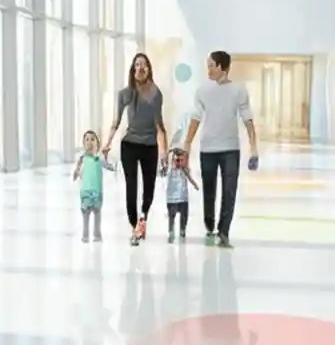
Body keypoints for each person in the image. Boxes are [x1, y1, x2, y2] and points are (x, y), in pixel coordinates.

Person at [183, 51, 259, 248]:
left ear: (221, 67)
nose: (208, 69)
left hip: (230, 149)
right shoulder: (202, 90)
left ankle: (224, 230)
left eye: (211, 66)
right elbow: (195, 118)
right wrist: (187, 144)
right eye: (207, 65)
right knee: (209, 191)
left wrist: (254, 148)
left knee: (230, 190)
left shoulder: (239, 90)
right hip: (207, 148)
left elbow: (247, 118)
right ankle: (209, 224)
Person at [104, 52, 168, 246]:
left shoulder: (156, 94)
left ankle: (143, 217)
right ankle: (134, 226)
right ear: (132, 69)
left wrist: (164, 151)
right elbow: (116, 121)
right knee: (131, 186)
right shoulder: (125, 93)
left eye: (144, 65)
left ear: (149, 69)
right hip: (129, 145)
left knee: (149, 187)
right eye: (137, 65)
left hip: (150, 146)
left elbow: (160, 125)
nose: (140, 68)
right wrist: (108, 143)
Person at [72, 131, 115, 243]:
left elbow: (110, 167)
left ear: (97, 144)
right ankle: (85, 235)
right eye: (87, 139)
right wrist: (76, 173)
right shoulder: (82, 159)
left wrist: (107, 159)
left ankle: (97, 234)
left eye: (92, 139)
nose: (90, 142)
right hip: (85, 192)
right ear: (83, 144)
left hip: (97, 192)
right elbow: (76, 172)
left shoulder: (98, 159)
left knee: (97, 213)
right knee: (85, 215)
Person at [163, 147, 199, 244]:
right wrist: (169, 152)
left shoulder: (184, 170)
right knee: (172, 216)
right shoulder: (170, 170)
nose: (179, 163)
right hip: (171, 198)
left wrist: (195, 185)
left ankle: (182, 230)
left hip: (183, 197)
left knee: (184, 216)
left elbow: (190, 178)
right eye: (177, 160)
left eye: (181, 160)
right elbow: (164, 165)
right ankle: (171, 231)